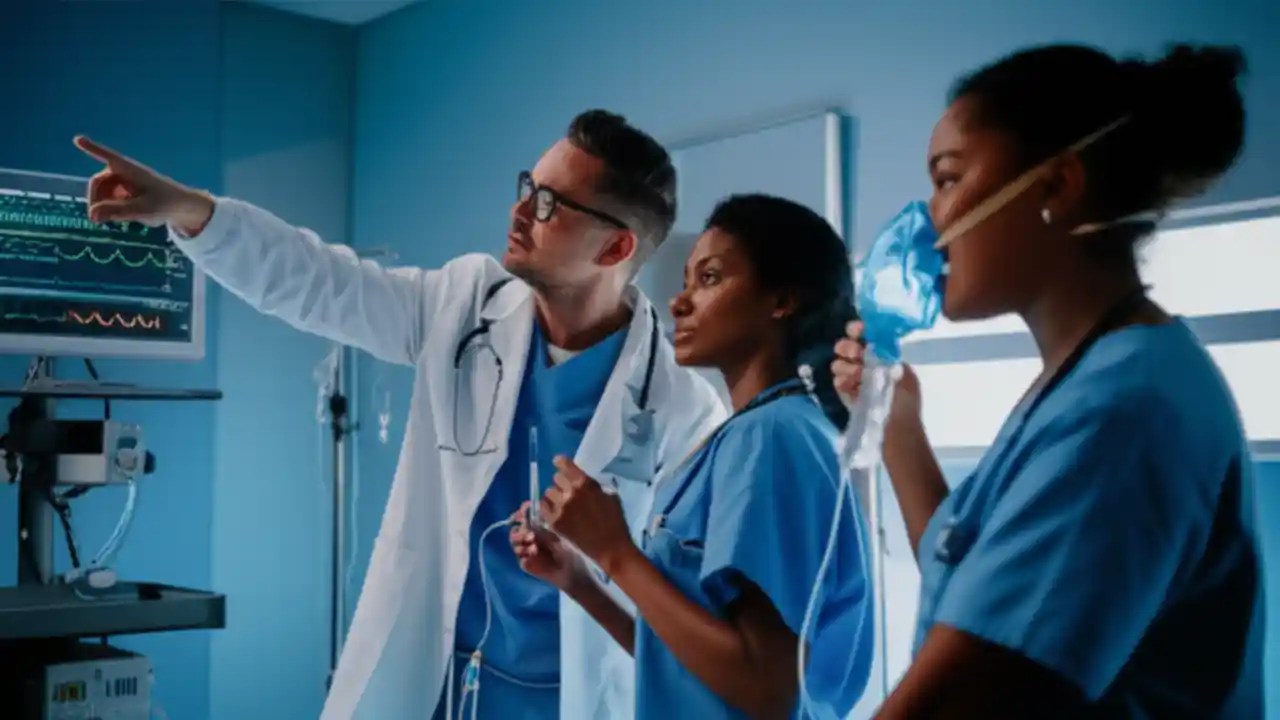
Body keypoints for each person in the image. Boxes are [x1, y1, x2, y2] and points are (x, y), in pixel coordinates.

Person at [73, 109, 728, 720]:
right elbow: (320, 281)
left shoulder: (684, 412)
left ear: (615, 250)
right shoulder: (466, 304)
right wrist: (191, 212)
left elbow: (687, 620)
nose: (520, 210)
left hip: (576, 699)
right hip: (436, 681)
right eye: (529, 186)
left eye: (550, 204)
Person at [833, 44, 1263, 718]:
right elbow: (977, 592)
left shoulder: (1123, 411)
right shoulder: (1090, 377)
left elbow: (961, 697)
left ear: (1056, 187)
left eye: (947, 180)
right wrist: (897, 426)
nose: (928, 221)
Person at [511, 194, 875, 719]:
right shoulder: (756, 435)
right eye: (686, 281)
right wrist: (581, 581)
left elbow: (766, 690)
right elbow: (696, 668)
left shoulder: (771, 437)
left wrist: (616, 552)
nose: (679, 302)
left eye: (709, 279)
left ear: (782, 300)